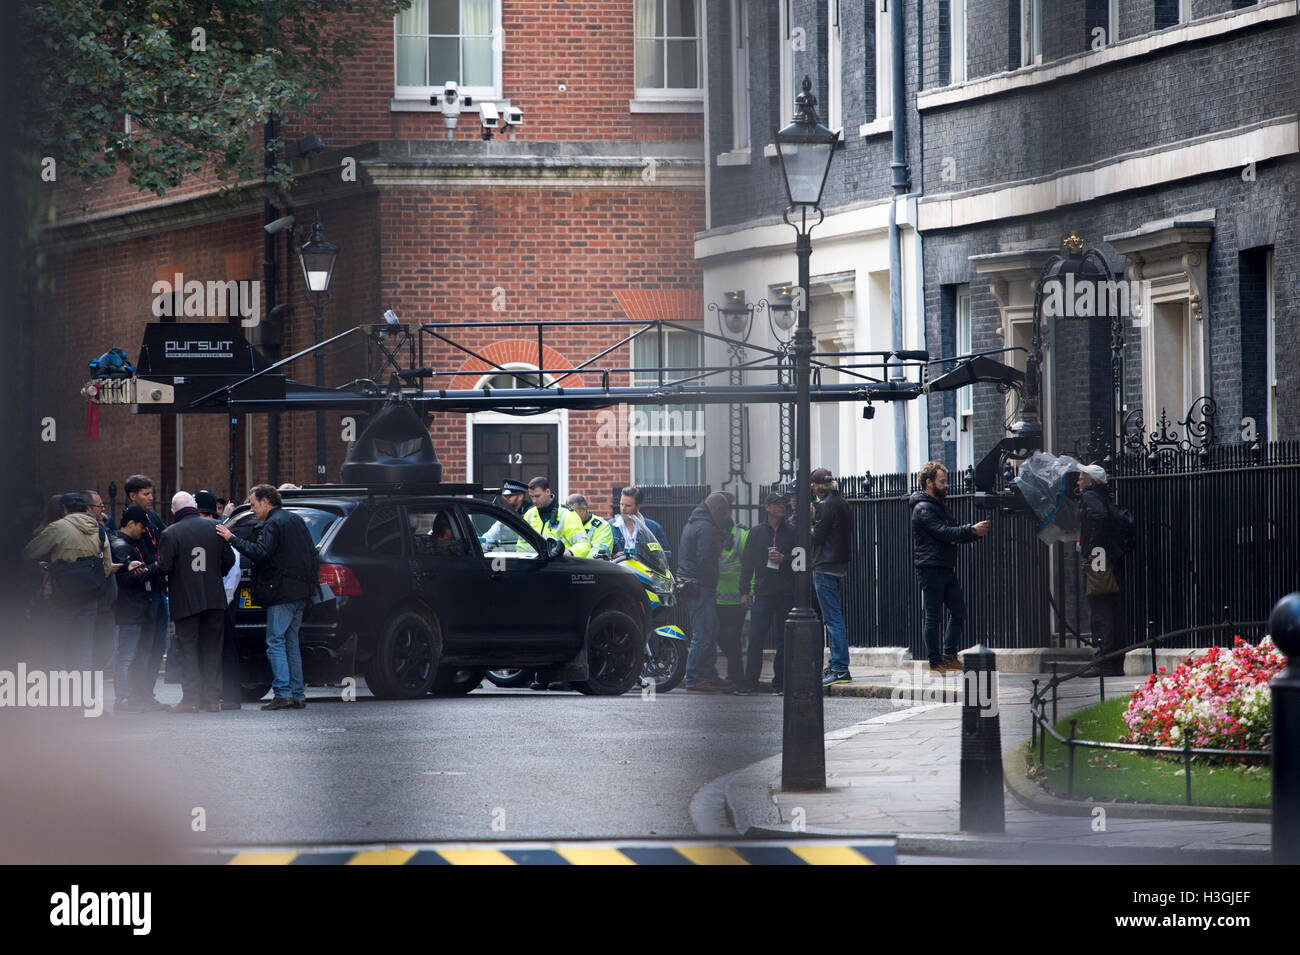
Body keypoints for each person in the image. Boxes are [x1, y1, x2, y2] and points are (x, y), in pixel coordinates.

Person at [216, 484, 319, 710]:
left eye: (253, 504)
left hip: (281, 592)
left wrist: (231, 538)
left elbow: (260, 552)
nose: (252, 510)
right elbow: (311, 555)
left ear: (266, 502)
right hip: (300, 592)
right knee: (291, 643)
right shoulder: (296, 520)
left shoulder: (273, 523)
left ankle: (282, 693)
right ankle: (298, 694)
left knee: (275, 642)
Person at [156, 492, 235, 713]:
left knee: (188, 649)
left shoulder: (170, 533)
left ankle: (190, 699)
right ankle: (212, 699)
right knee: (212, 649)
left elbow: (163, 568)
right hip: (214, 597)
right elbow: (229, 561)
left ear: (173, 511)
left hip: (185, 600)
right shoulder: (215, 527)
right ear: (196, 506)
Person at [909, 461, 989, 674]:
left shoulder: (939, 506)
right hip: (930, 567)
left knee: (959, 611)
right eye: (942, 481)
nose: (947, 485)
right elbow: (943, 532)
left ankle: (950, 655)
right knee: (933, 616)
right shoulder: (922, 508)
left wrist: (972, 534)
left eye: (946, 481)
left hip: (945, 566)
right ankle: (935, 662)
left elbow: (951, 532)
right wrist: (971, 531)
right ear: (929, 482)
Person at [21, 492, 116, 669]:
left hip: (61, 596)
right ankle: (83, 695)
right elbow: (107, 566)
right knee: (84, 650)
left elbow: (29, 552)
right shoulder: (99, 529)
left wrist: (44, 568)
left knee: (57, 649)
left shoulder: (58, 528)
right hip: (90, 597)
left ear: (64, 509)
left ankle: (59, 695)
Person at [734, 492, 798, 695]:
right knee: (755, 639)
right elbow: (747, 564)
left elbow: (802, 562)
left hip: (787, 592)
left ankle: (780, 683)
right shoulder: (756, 533)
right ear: (767, 508)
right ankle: (750, 683)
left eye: (784, 503)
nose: (782, 507)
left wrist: (784, 559)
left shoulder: (793, 532)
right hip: (763, 592)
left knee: (784, 640)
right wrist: (744, 592)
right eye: (777, 504)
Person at [123, 475, 171, 710]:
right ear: (132, 496)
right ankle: (136, 695)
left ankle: (147, 693)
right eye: (145, 494)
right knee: (145, 645)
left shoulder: (153, 518)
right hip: (145, 589)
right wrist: (156, 563)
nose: (151, 498)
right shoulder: (129, 521)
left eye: (152, 493)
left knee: (157, 644)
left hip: (159, 587)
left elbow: (166, 539)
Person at [109, 506, 161, 713]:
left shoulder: (132, 543)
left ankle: (132, 698)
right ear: (131, 524)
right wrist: (156, 567)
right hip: (131, 609)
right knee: (127, 656)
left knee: (135, 655)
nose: (143, 530)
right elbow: (130, 578)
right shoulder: (121, 545)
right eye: (141, 526)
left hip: (138, 607)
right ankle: (123, 699)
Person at [678, 491, 732, 691]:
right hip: (700, 586)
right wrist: (711, 578)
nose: (725, 517)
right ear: (716, 509)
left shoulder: (694, 523)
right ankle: (695, 678)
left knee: (710, 630)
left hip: (693, 584)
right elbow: (705, 560)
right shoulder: (706, 527)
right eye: (724, 512)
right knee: (703, 633)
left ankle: (708, 674)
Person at [1078, 464, 1127, 676]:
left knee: (1100, 606)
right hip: (1111, 557)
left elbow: (1099, 517)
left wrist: (1090, 547)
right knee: (1112, 607)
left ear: (1091, 480)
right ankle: (1115, 661)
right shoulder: (1105, 496)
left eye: (1081, 477)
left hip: (1099, 558)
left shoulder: (1090, 496)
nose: (1078, 482)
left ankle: (1104, 659)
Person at [196, 491, 243, 709]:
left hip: (219, 600)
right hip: (219, 599)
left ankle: (229, 695)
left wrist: (224, 598)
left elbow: (232, 568)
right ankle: (224, 695)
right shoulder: (213, 531)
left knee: (221, 649)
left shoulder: (219, 533)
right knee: (220, 648)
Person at [810, 468, 853, 687]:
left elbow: (817, 537)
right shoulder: (842, 503)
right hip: (838, 564)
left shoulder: (825, 506)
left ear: (816, 486)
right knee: (833, 617)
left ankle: (839, 668)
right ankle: (835, 663)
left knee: (832, 618)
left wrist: (810, 520)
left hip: (825, 565)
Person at [714, 500, 748, 686]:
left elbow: (749, 565)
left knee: (733, 638)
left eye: (725, 510)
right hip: (715, 597)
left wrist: (748, 592)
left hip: (736, 598)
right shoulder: (711, 533)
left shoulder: (742, 533)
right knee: (721, 636)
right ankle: (735, 676)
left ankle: (736, 677)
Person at [521, 476, 590, 557]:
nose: (534, 501)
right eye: (531, 496)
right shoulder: (529, 514)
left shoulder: (567, 514)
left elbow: (584, 544)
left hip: (560, 566)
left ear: (547, 492)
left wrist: (569, 552)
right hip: (534, 566)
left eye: (537, 496)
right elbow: (522, 545)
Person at [610, 486, 671, 565]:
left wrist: (644, 556)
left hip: (645, 574)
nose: (623, 509)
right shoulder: (610, 527)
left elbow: (665, 556)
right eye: (621, 504)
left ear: (638, 506)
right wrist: (614, 557)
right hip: (620, 574)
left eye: (628, 506)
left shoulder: (653, 528)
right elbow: (602, 555)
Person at [566, 494, 615, 558]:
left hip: (592, 567)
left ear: (585, 509)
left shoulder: (602, 526)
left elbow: (597, 553)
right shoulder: (566, 525)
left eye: (574, 513)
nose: (571, 517)